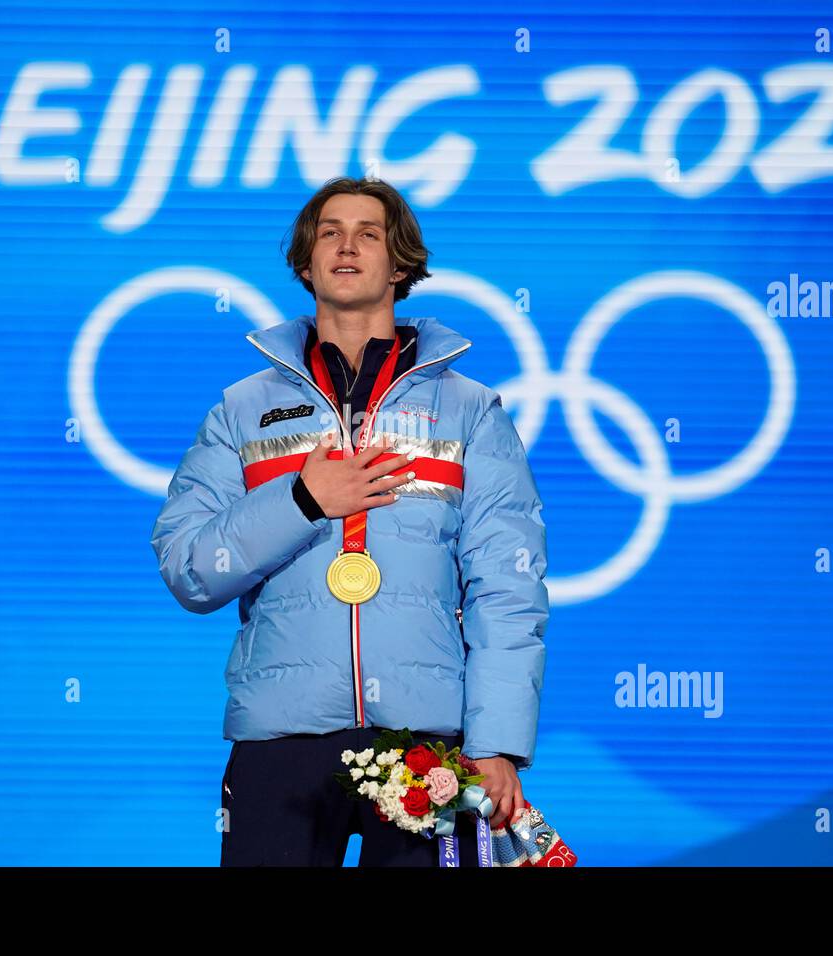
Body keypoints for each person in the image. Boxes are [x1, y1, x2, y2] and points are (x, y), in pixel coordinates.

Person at [151, 176, 549, 866]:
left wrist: (497, 743)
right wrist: (302, 503)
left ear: (400, 265)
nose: (347, 246)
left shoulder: (470, 411)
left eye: (370, 234)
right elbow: (188, 570)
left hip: (427, 744)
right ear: (305, 263)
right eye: (329, 232)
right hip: (281, 738)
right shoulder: (240, 411)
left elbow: (507, 591)